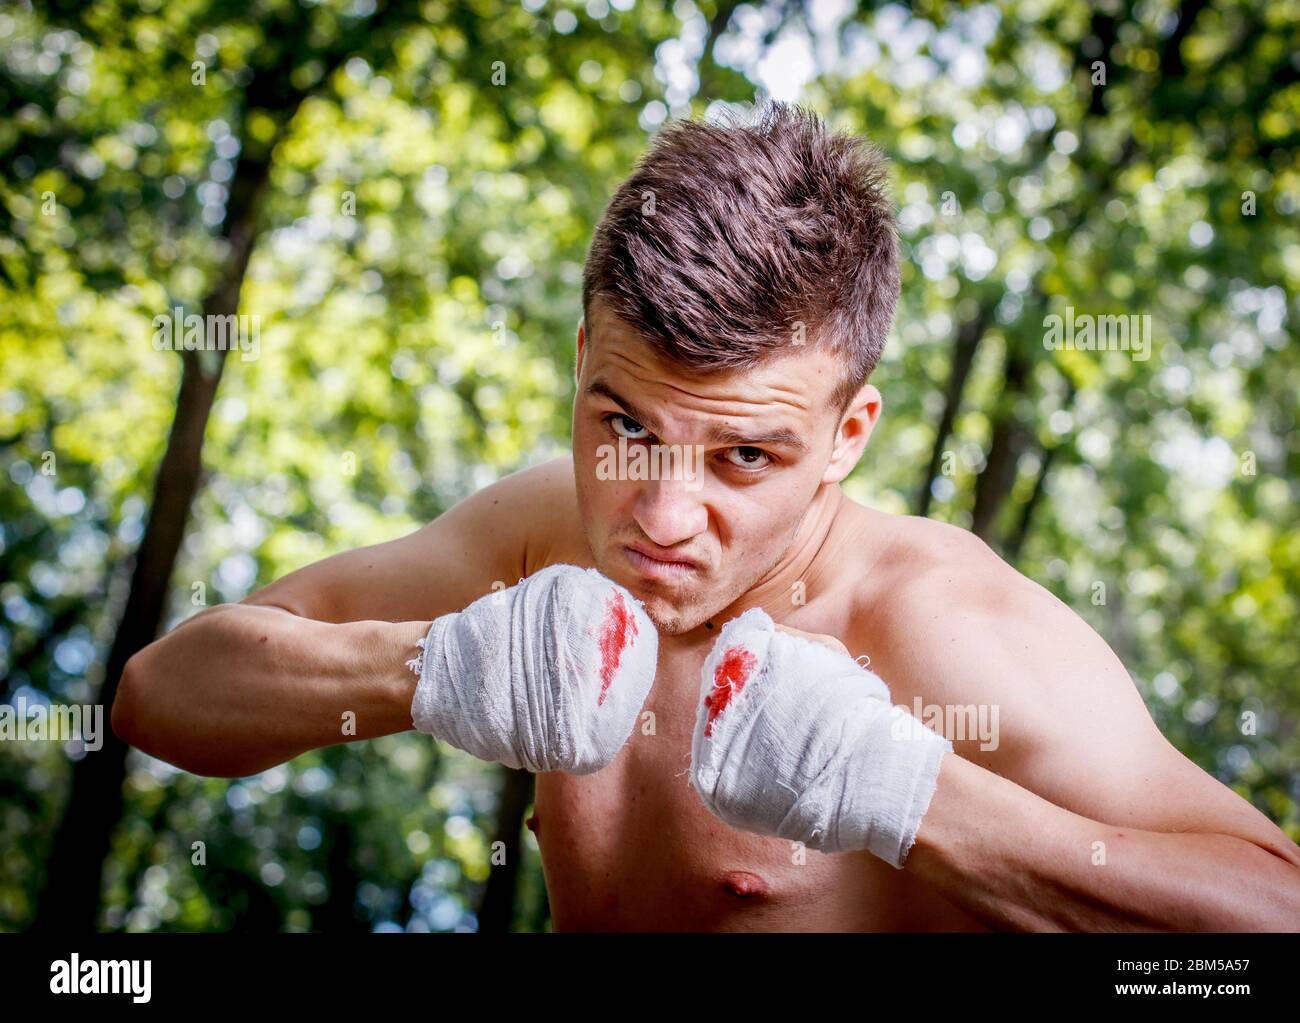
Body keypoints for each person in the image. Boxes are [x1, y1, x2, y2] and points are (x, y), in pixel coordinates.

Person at [112, 102, 1300, 932]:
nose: (661, 518)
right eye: (624, 424)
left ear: (848, 434)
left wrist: (903, 790)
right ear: (582, 360)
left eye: (743, 453)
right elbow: (164, 696)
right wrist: (427, 666)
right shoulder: (536, 534)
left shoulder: (940, 629)